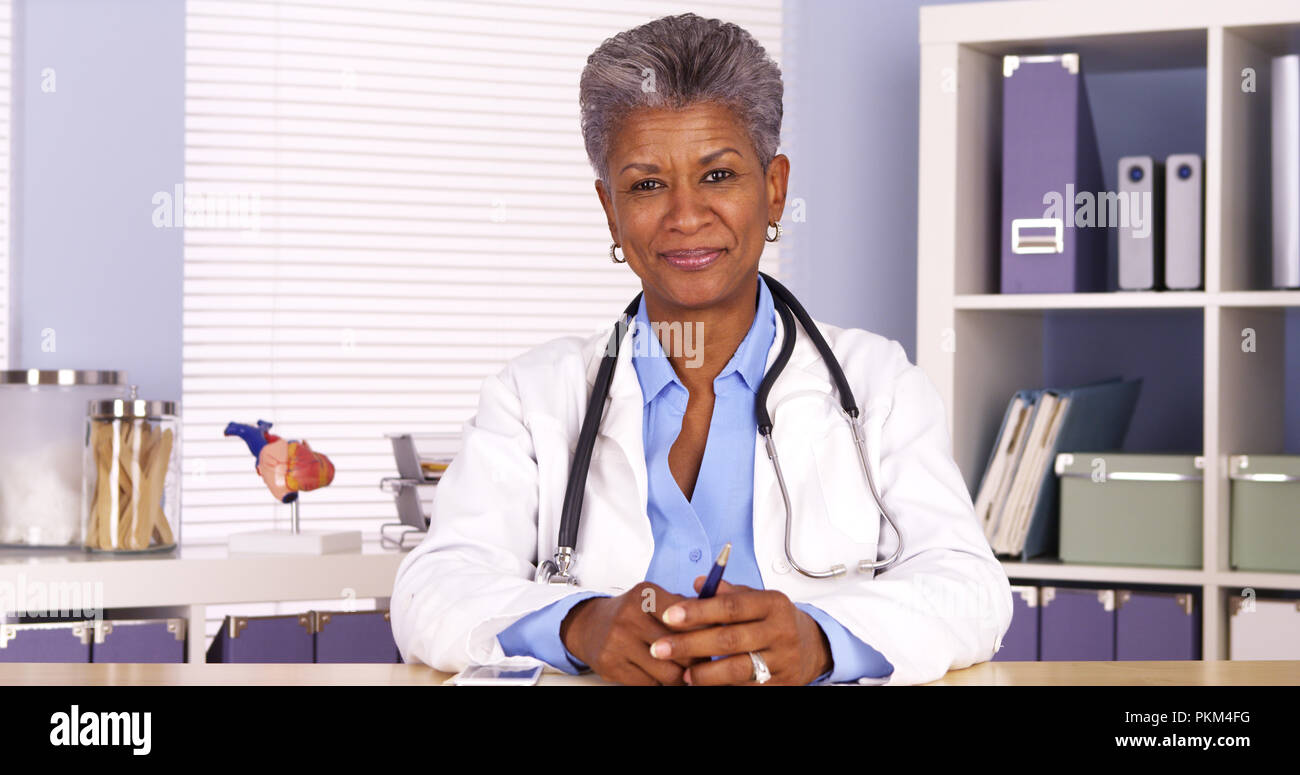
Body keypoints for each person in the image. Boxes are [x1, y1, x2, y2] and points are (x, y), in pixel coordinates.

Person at [391, 12, 1011, 685]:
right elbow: (431, 589)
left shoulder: (877, 382)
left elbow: (971, 587)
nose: (685, 216)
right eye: (647, 184)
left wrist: (820, 640)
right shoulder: (533, 396)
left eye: (717, 176)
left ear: (773, 189)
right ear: (611, 210)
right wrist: (580, 623)